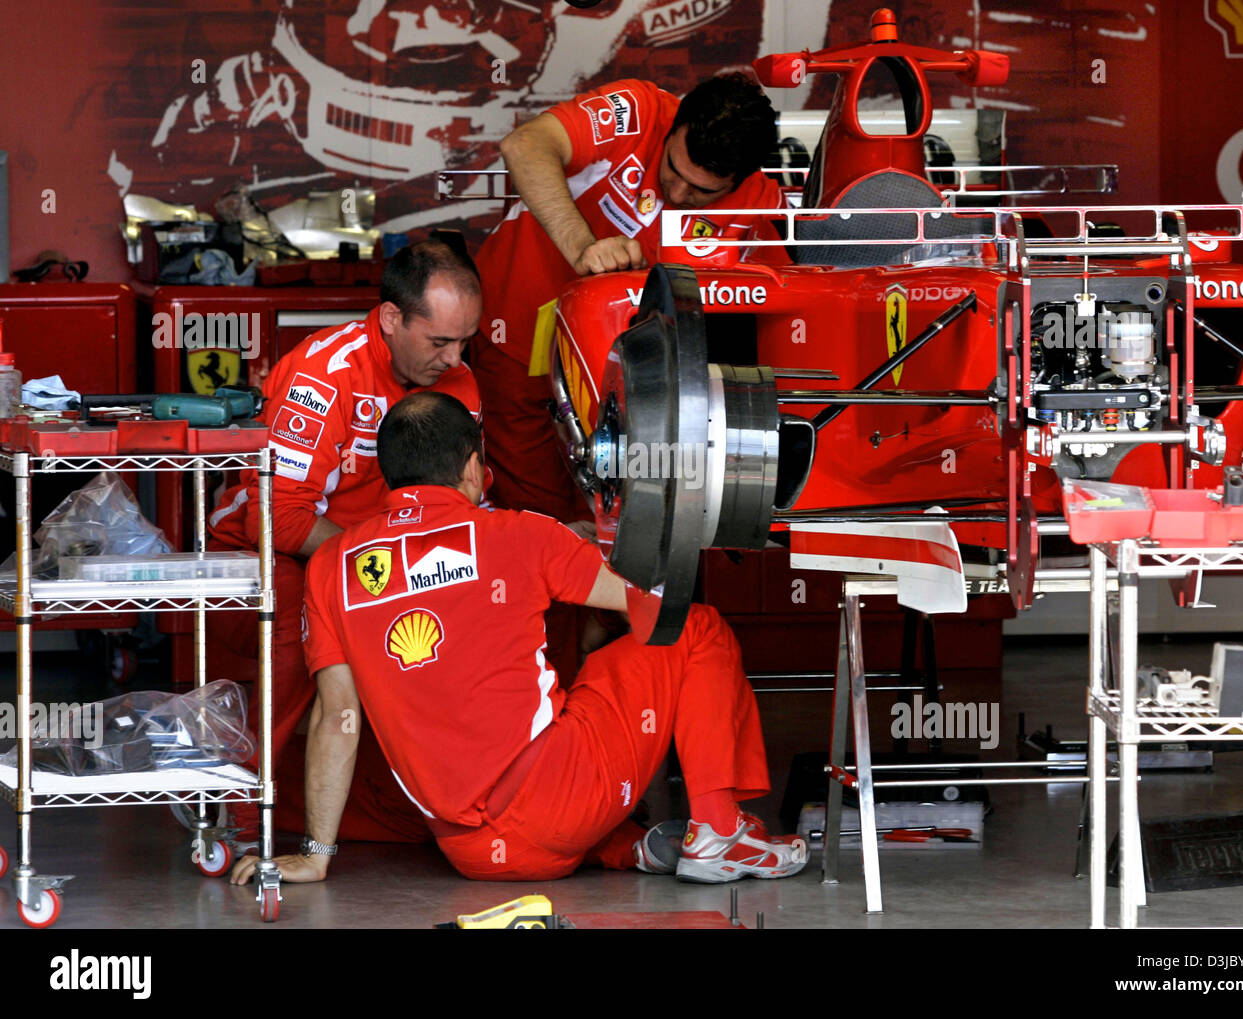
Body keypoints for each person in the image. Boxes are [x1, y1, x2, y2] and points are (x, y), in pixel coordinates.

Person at [231, 391, 807, 885]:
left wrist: (315, 855)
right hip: (557, 803)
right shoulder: (518, 532)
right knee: (697, 628)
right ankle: (716, 829)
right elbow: (652, 607)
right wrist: (602, 596)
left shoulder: (330, 566)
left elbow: (339, 720)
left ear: (389, 473)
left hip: (469, 853)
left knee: (564, 709)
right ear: (471, 467)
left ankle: (626, 846)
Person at [208, 240, 484, 844]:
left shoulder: (457, 382)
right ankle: (243, 805)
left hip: (384, 560)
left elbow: (465, 505)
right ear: (391, 319)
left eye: (466, 341)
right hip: (263, 556)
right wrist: (384, 564)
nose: (456, 358)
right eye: (440, 342)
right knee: (297, 613)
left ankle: (475, 796)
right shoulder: (323, 375)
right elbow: (274, 519)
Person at [472, 72, 783, 522]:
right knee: (538, 522)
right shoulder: (635, 111)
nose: (677, 193)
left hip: (643, 394)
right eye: (673, 169)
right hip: (519, 346)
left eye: (702, 191)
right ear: (676, 123)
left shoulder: (758, 205)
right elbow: (524, 146)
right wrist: (583, 247)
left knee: (632, 525)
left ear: (741, 180)